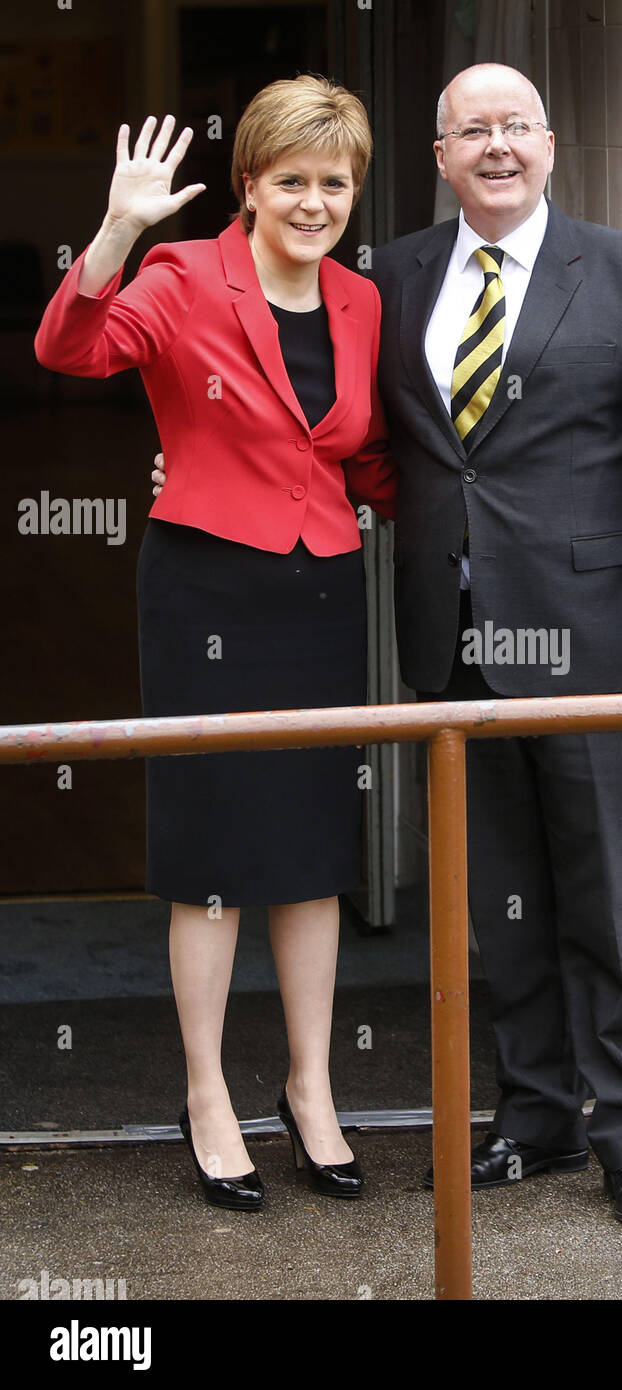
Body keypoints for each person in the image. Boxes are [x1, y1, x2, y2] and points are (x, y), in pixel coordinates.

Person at [155, 61, 622, 1225]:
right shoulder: (388, 277)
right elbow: (319, 419)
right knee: (499, 901)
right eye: (473, 130)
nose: (496, 146)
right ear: (439, 157)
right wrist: (195, 462)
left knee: (612, 902)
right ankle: (534, 1117)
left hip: (600, 646)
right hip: (458, 642)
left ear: (550, 145)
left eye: (517, 125)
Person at [36, 76, 396, 1211]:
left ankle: (310, 1089)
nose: (313, 202)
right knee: (210, 854)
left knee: (314, 848)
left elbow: (364, 454)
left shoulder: (360, 300)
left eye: (333, 182)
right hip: (204, 593)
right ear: (247, 183)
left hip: (322, 588)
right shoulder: (184, 274)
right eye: (290, 180)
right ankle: (206, 1094)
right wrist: (116, 231)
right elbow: (72, 350)